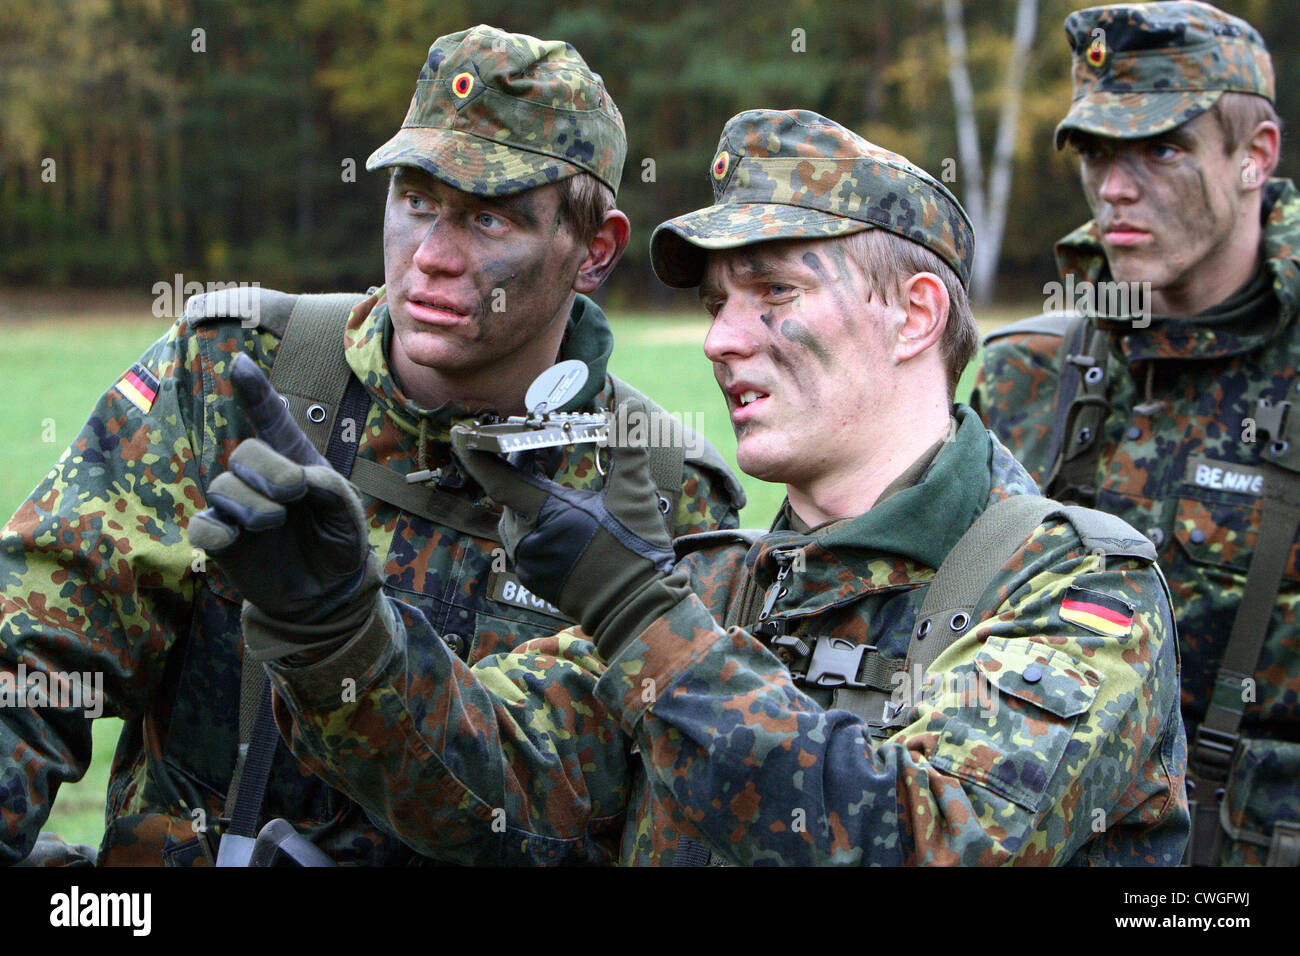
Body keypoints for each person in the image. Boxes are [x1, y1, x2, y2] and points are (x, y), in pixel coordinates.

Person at [247, 108, 1188, 865]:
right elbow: (491, 790)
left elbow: (939, 838)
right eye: (716, 305)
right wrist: (335, 630)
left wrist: (632, 609)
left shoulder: (1074, 586)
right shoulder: (720, 586)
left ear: (914, 314)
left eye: (773, 291)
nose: (721, 340)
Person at [0, 24, 743, 867]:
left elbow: (633, 804)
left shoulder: (658, 487)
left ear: (595, 250)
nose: (430, 257)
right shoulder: (235, 374)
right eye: (416, 202)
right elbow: (35, 646)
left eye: (488, 219)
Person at [972, 1, 1298, 866]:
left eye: (1161, 149)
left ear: (1254, 157)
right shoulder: (1028, 370)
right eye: (1097, 152)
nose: (1116, 187)